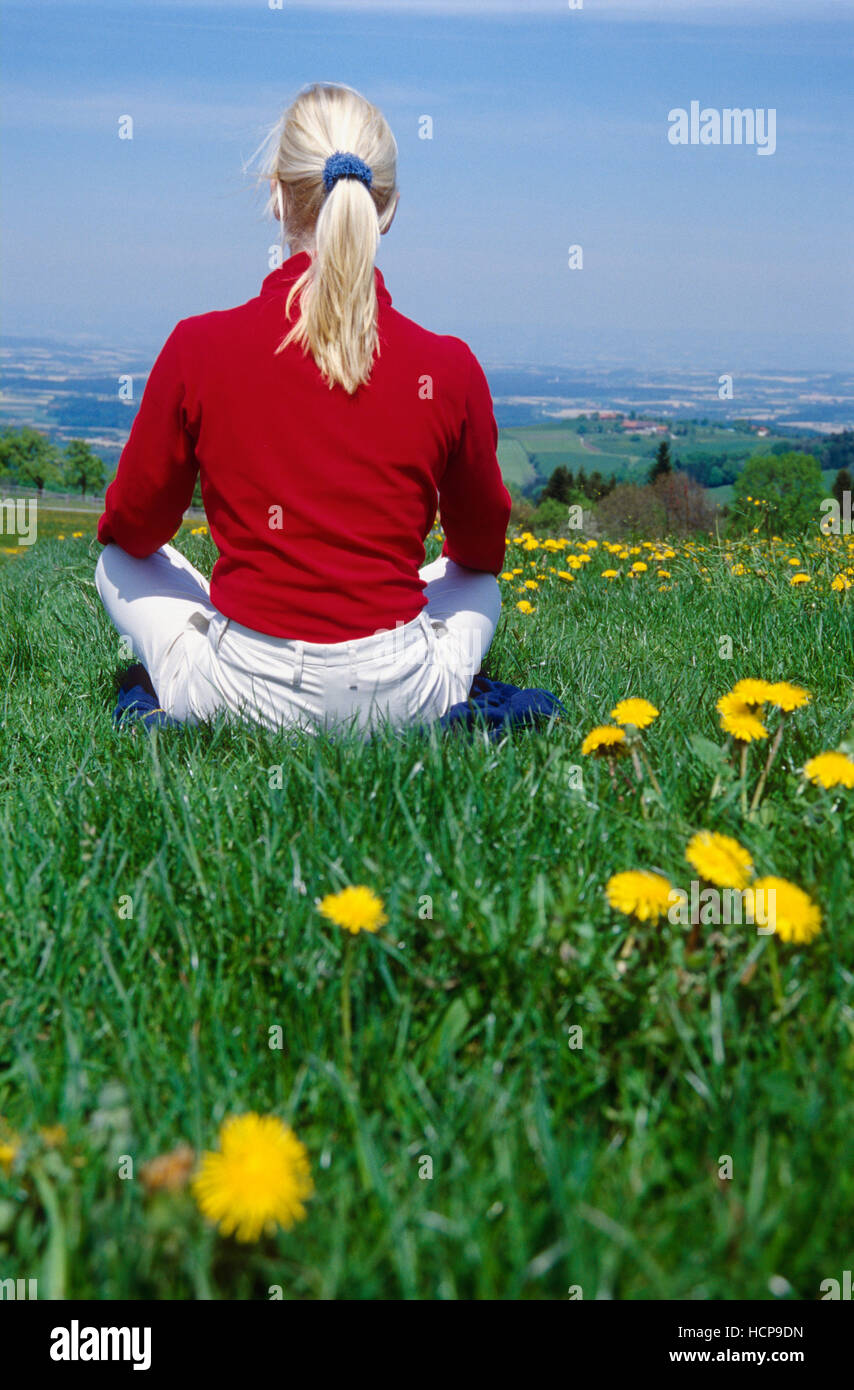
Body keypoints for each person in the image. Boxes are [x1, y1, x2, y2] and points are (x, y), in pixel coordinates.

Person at [95, 82, 512, 736]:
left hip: (240, 694)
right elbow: (482, 547)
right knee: (474, 582)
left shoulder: (199, 346)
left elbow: (133, 527)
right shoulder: (450, 366)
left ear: (276, 195)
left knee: (114, 559)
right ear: (390, 208)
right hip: (399, 697)